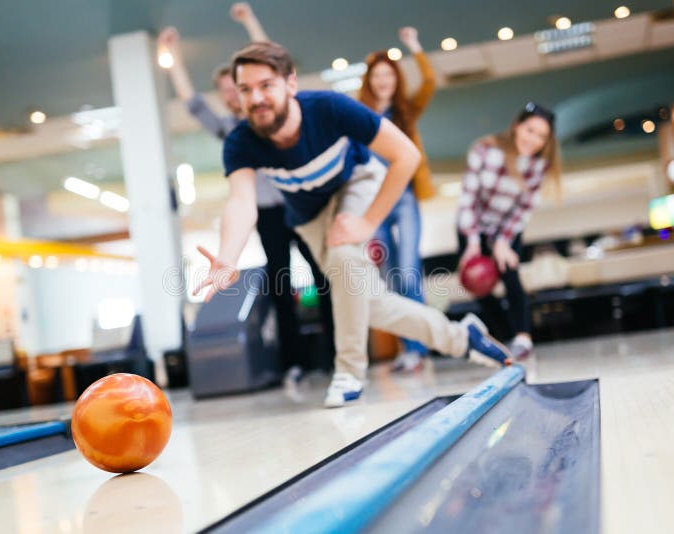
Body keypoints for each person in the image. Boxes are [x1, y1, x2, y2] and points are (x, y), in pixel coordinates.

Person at [194, 41, 512, 408]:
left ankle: (348, 371)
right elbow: (241, 201)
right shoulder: (241, 141)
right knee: (366, 302)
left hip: (355, 183)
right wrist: (228, 257)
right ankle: (462, 337)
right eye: (246, 90)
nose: (256, 98)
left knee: (345, 257)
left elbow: (405, 155)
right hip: (309, 215)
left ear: (290, 84)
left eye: (266, 85)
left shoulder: (329, 108)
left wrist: (368, 222)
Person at [157, 4, 334, 387]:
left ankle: (335, 356)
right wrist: (171, 60)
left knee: (324, 276)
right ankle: (296, 362)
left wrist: (248, 21)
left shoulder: (277, 114)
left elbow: (268, 58)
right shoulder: (232, 133)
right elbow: (192, 103)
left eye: (235, 89)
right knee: (280, 285)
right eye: (227, 92)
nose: (232, 97)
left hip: (298, 205)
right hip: (268, 215)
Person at [456, 102, 562, 361]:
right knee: (478, 285)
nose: (534, 140)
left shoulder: (539, 166)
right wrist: (472, 243)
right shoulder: (484, 150)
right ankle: (503, 339)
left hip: (507, 228)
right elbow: (468, 201)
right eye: (530, 130)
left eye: (541, 136)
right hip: (473, 225)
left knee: (511, 276)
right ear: (517, 126)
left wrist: (503, 242)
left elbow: (523, 210)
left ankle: (523, 339)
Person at [358, 26, 436, 373]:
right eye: (378, 76)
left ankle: (419, 348)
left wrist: (414, 47)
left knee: (408, 272)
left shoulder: (406, 111)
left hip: (404, 199)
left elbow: (430, 82)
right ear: (370, 81)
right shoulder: (360, 115)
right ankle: (411, 349)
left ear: (395, 78)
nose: (384, 81)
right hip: (375, 206)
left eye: (389, 74)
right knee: (390, 278)